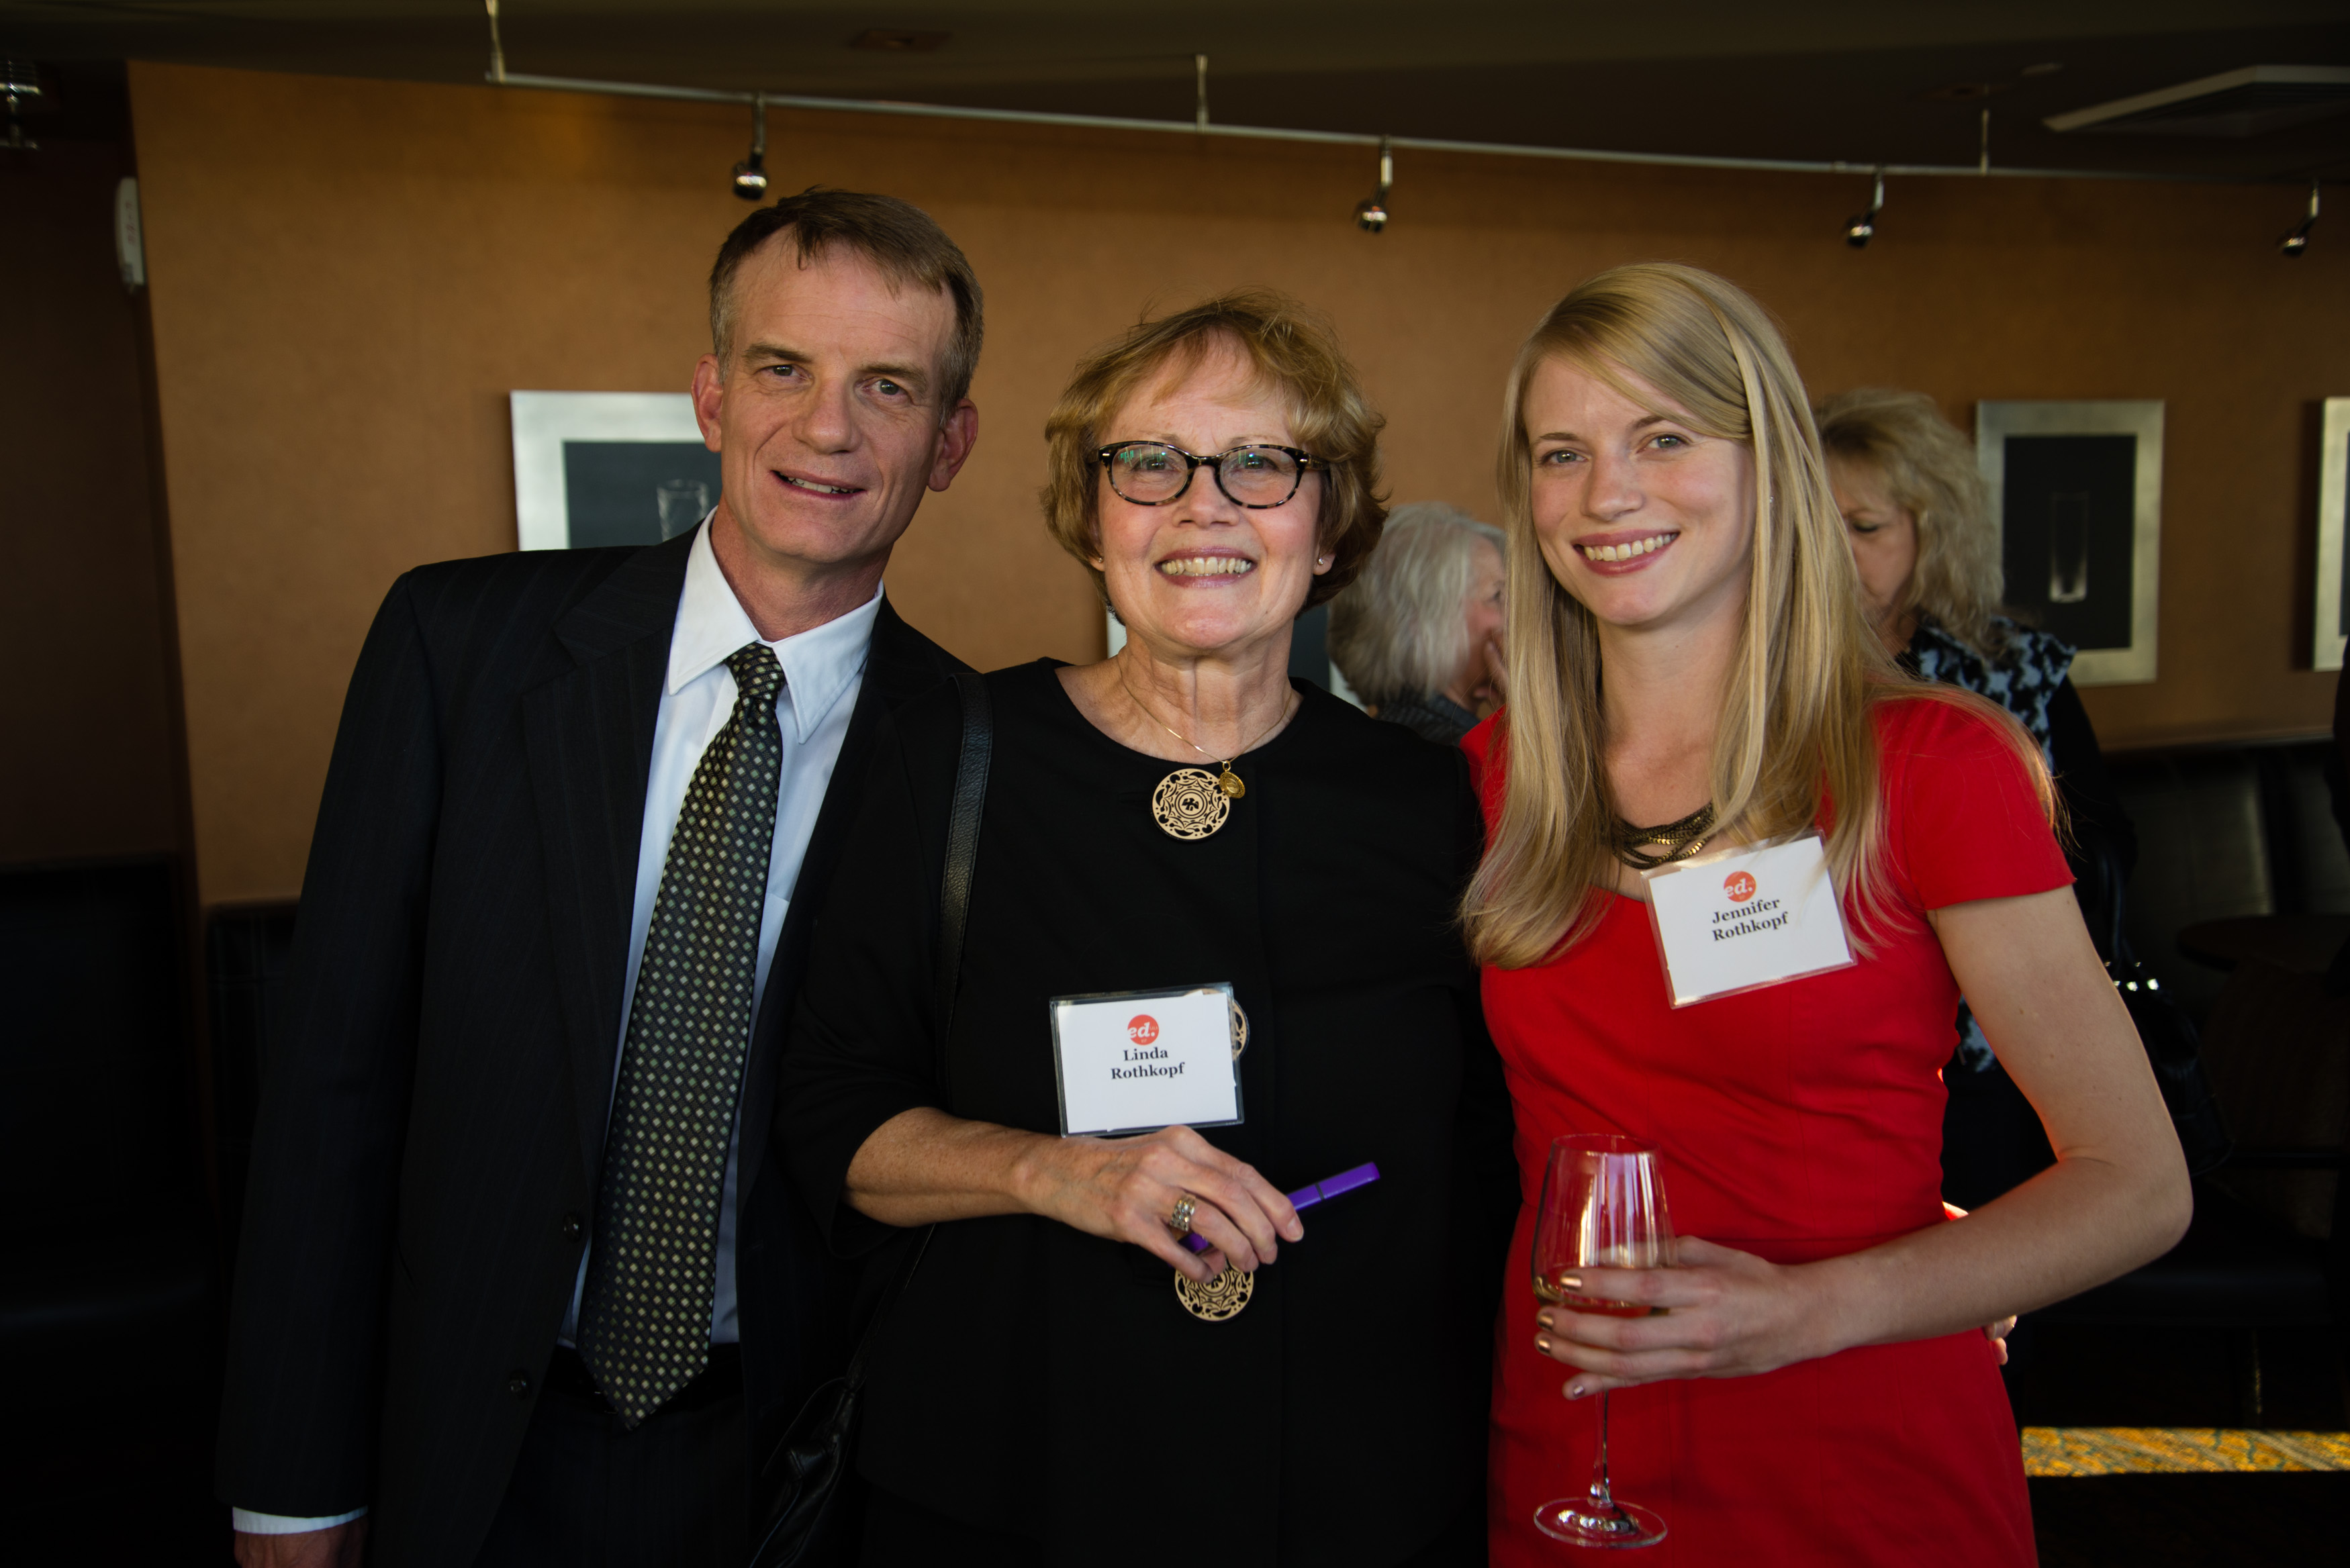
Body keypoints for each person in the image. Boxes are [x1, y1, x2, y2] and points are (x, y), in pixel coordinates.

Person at [216, 188, 983, 1568]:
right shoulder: (459, 650)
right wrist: (289, 1480)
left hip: (801, 1471)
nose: (828, 428)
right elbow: (331, 1092)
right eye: (781, 369)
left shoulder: (979, 752)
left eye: (888, 386)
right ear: (708, 394)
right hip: (470, 1447)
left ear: (950, 443)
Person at [1463, 262, 2191, 1565]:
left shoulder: (1927, 765)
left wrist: (1814, 1309)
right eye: (1559, 451)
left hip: (1859, 1450)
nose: (1604, 491)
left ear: (1767, 464)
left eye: (1663, 437)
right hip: (1577, 1443)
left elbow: (2135, 1184)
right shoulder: (1493, 778)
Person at [779, 289, 1517, 1565]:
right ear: (1093, 509)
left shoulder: (1430, 802)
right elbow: (825, 1113)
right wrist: (1059, 1170)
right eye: (1150, 463)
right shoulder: (948, 760)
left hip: (1360, 1494)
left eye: (1261, 463)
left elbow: (1499, 1145)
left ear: (1330, 521)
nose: (1202, 505)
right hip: (1014, 1485)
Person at [1328, 501, 1509, 744]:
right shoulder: (1460, 762)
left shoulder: (1381, 742)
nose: (1514, 613)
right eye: (1497, 596)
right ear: (1427, 628)